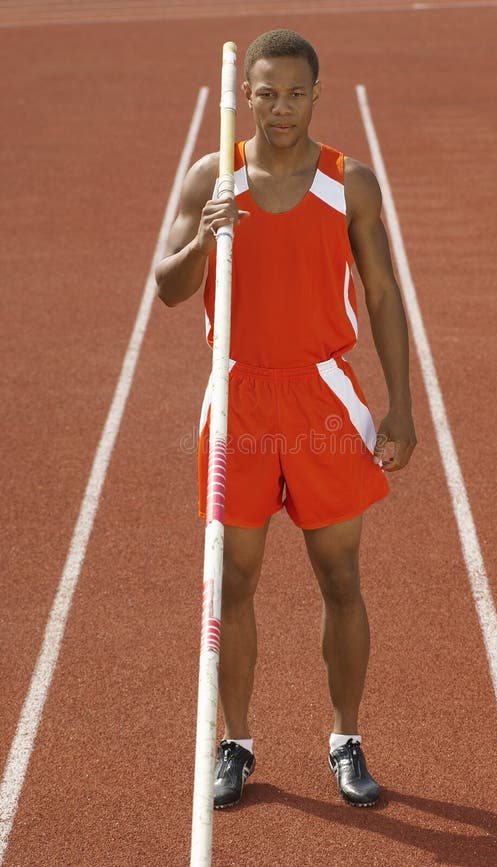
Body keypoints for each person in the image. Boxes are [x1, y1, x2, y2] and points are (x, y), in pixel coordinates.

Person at [155, 29, 417, 810]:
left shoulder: (349, 183)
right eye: (266, 93)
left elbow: (382, 296)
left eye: (294, 93)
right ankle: (233, 742)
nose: (280, 108)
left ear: (316, 95)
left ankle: (346, 738)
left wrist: (400, 406)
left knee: (341, 577)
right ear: (249, 95)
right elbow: (169, 287)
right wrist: (207, 231)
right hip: (238, 400)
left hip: (321, 400)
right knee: (233, 582)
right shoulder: (214, 176)